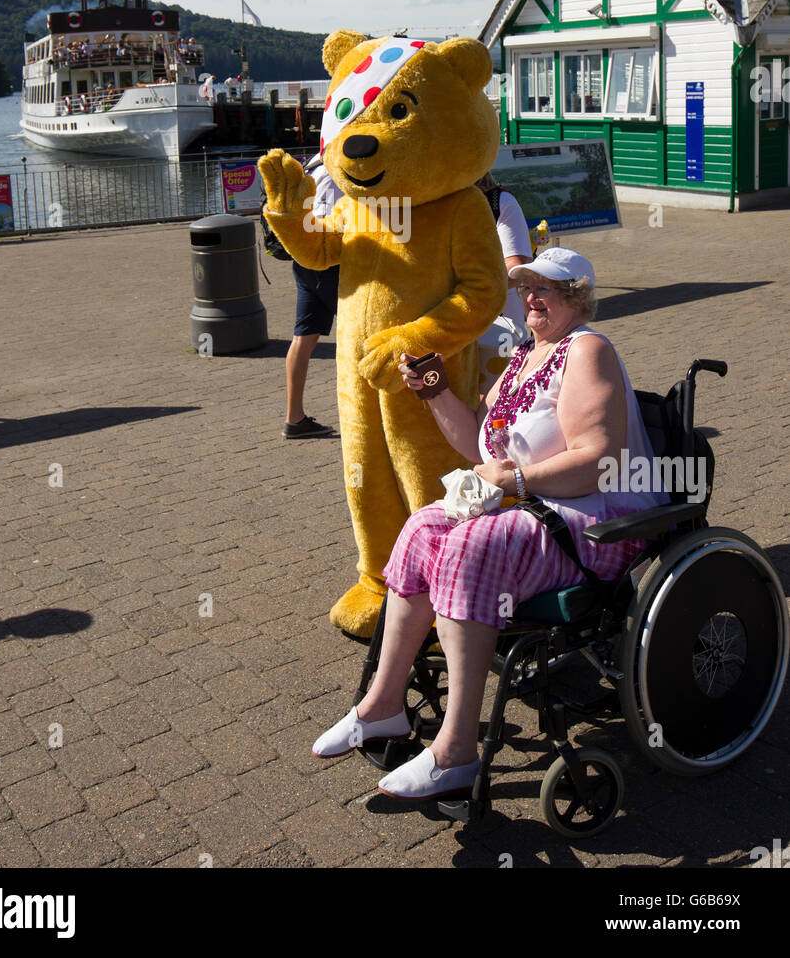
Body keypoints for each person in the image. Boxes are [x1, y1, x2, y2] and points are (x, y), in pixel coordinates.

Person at [311, 247, 669, 799]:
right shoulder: (524, 357)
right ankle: (383, 705)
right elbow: (477, 442)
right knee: (422, 530)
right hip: (530, 510)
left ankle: (455, 752)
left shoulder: (587, 349)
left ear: (575, 296)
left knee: (468, 550)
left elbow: (601, 460)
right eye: (525, 288)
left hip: (593, 520)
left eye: (543, 289)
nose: (529, 298)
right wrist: (434, 391)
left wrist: (518, 483)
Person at [283, 153, 343, 438]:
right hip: (328, 266)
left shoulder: (313, 164)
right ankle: (363, 415)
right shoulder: (330, 173)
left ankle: (295, 418)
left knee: (303, 339)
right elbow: (321, 224)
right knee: (356, 337)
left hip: (307, 267)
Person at [475, 172, 532, 381]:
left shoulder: (499, 202)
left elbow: (518, 269)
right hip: (446, 322)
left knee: (499, 391)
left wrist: (469, 289)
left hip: (498, 323)